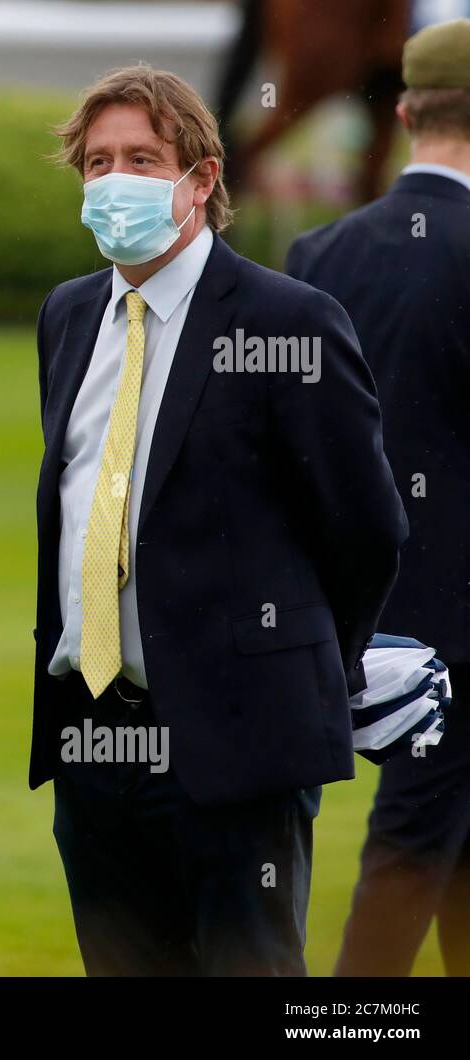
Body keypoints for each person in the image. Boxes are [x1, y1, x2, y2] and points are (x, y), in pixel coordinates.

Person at [31, 64, 407, 976]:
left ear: (200, 181)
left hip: (238, 746)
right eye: (98, 161)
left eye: (143, 159)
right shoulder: (71, 315)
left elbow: (365, 529)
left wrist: (303, 666)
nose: (115, 180)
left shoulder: (290, 321)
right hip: (93, 738)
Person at [286, 17, 470, 977]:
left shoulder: (320, 257)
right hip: (461, 624)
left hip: (356, 610)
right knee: (415, 837)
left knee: (449, 836)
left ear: (402, 113)